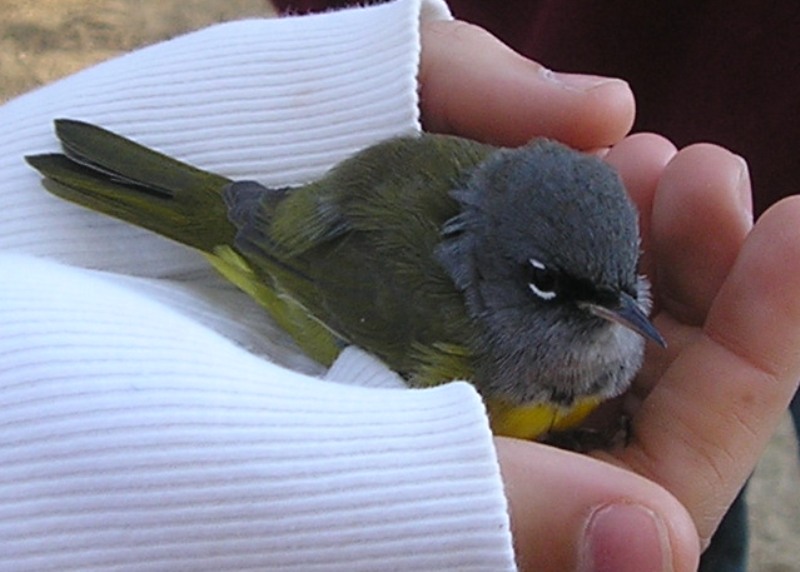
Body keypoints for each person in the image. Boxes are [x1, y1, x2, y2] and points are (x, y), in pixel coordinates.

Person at [1, 1, 798, 570]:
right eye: (556, 288)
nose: (625, 312)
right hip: (302, 262)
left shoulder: (593, 293)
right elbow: (313, 262)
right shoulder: (444, 319)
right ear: (512, 277)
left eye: (627, 284)